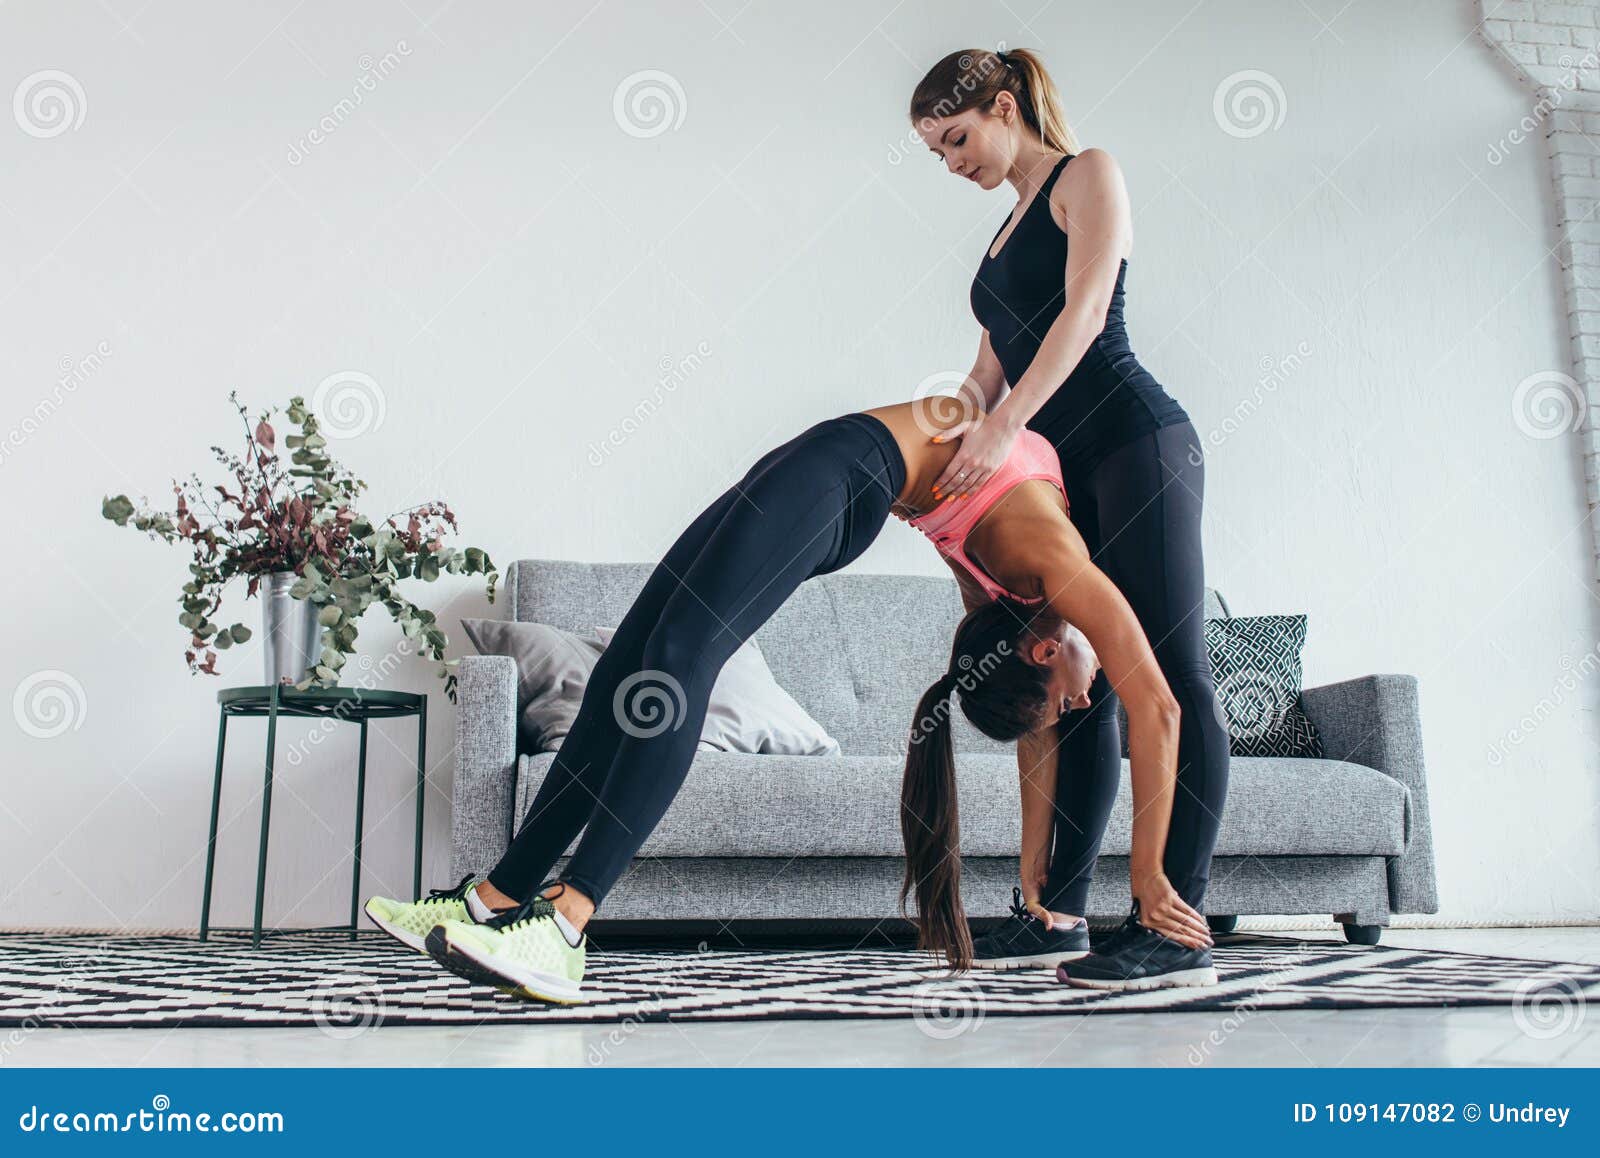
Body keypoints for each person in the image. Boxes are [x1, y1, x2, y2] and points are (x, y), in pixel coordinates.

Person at [365, 400, 1211, 1002]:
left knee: (673, 663)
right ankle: (502, 900)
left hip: (843, 476)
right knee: (633, 668)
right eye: (1070, 704)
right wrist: (1146, 880)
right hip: (836, 467)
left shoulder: (1013, 600)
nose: (1081, 702)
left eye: (1062, 705)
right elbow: (1160, 709)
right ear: (1041, 648)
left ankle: (570, 914)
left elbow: (1045, 722)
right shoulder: (1063, 575)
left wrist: (1039, 882)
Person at [906, 46, 1231, 988]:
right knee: (1084, 690)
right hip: (1064, 471)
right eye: (937, 153)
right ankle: (1057, 913)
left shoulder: (1089, 175)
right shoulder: (1003, 235)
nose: (953, 162)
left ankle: (1173, 921)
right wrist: (930, 461)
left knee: (1170, 671)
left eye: (958, 138)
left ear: (1005, 107)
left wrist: (1004, 423)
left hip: (1138, 443)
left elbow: (1084, 316)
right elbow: (979, 379)